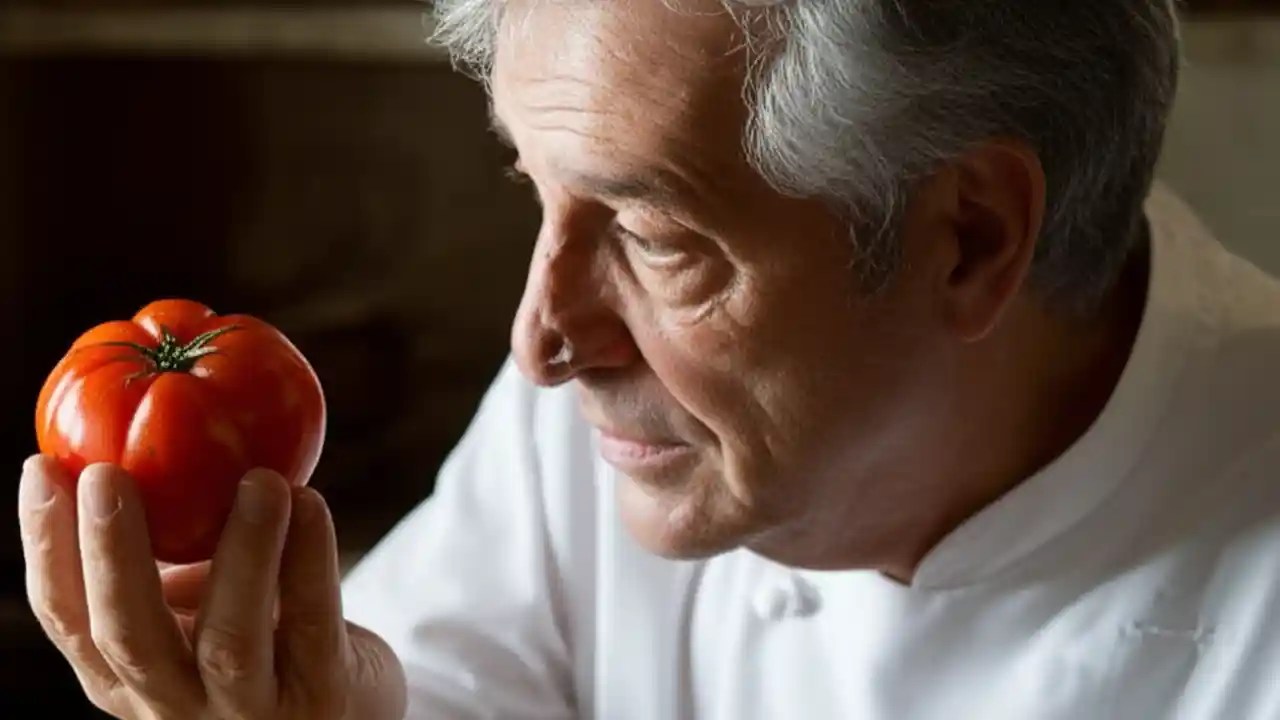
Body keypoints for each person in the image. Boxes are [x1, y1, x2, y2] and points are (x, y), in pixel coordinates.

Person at [18, 0, 1280, 717]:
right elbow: (445, 682)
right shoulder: (616, 407)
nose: (542, 340)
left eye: (656, 235)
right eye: (540, 194)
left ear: (970, 237)